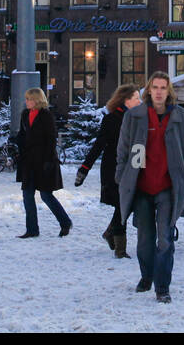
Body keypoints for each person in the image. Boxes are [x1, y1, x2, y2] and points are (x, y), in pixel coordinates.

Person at [116, 71, 184, 304]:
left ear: (168, 91)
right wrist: (122, 176)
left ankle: (162, 287)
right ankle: (146, 276)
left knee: (165, 239)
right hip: (141, 186)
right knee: (144, 239)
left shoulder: (181, 117)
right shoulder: (136, 116)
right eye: (155, 87)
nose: (159, 91)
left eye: (163, 87)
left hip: (168, 187)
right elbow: (123, 149)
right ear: (148, 90)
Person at [76, 84, 142, 258]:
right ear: (126, 100)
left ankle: (110, 232)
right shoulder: (112, 119)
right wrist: (84, 169)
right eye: (136, 97)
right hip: (114, 169)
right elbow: (99, 145)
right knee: (122, 205)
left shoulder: (139, 119)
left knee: (129, 204)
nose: (139, 101)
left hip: (133, 168)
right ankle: (120, 249)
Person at [15, 87, 72, 238]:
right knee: (27, 195)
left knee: (46, 195)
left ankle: (65, 222)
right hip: (28, 161)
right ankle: (32, 229)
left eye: (29, 99)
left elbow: (50, 139)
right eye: (26, 99)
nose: (26, 101)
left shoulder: (46, 116)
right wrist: (17, 142)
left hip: (43, 161)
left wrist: (48, 161)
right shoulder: (25, 114)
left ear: (37, 100)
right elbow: (23, 134)